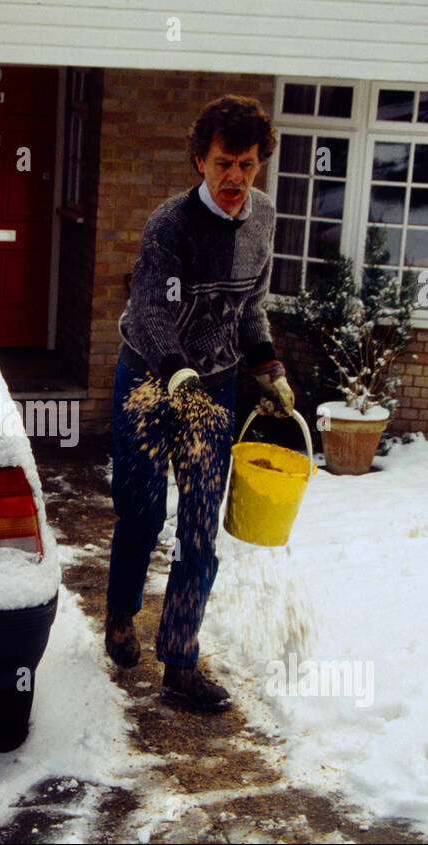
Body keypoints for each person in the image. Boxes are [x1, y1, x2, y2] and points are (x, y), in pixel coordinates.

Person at [105, 95, 295, 712]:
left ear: (259, 162)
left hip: (210, 392)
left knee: (198, 530)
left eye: (246, 164)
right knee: (140, 513)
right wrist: (175, 371)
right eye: (222, 164)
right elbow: (153, 312)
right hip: (148, 381)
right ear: (199, 162)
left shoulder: (263, 220)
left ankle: (181, 662)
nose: (235, 178)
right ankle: (119, 616)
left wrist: (267, 366)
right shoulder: (170, 225)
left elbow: (251, 307)